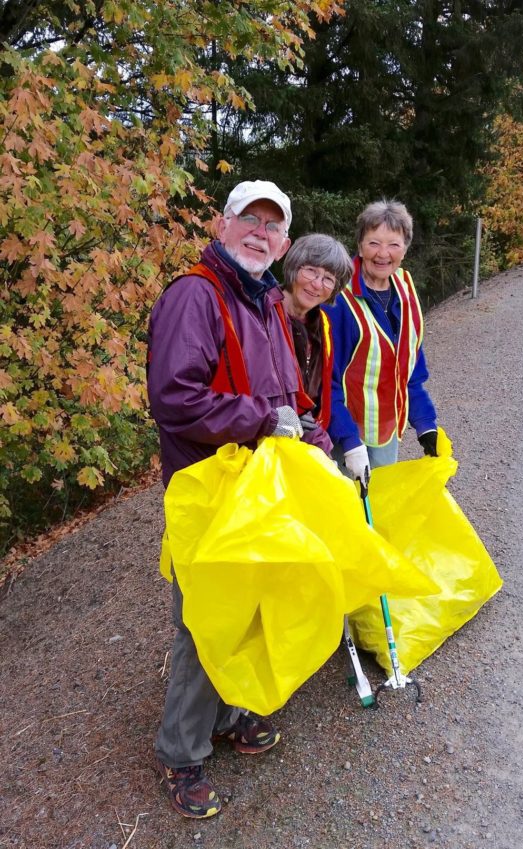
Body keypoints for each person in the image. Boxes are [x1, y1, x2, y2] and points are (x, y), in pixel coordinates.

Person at [147, 180, 332, 820]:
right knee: (204, 625)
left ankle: (225, 717)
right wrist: (261, 420)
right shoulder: (195, 294)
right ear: (222, 226)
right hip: (209, 490)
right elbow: (176, 399)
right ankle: (181, 751)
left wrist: (316, 435)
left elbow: (288, 395)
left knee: (247, 610)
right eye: (248, 219)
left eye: (272, 225)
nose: (260, 232)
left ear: (282, 244)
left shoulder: (263, 302)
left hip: (258, 490)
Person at [323, 199, 438, 485]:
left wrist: (425, 424)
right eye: (374, 243)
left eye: (394, 245)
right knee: (345, 516)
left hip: (386, 433)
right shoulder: (338, 299)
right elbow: (327, 381)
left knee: (380, 510)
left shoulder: (405, 288)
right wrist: (349, 441)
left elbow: (411, 366)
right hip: (342, 436)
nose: (383, 254)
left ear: (405, 249)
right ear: (360, 245)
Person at [281, 234, 353, 430]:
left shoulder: (323, 325)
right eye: (311, 271)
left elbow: (326, 391)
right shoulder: (265, 313)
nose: (317, 284)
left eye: (328, 279)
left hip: (310, 438)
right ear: (294, 267)